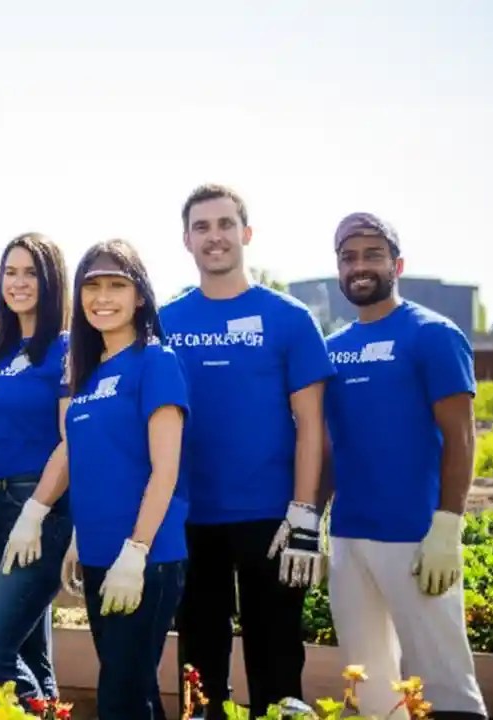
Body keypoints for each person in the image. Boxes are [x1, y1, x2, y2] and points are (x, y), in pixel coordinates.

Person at [160, 184, 334, 719]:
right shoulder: (164, 322)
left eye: (225, 224)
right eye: (203, 227)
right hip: (191, 519)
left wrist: (305, 515)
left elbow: (312, 426)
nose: (215, 237)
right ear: (186, 240)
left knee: (277, 664)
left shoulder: (289, 318)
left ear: (246, 234)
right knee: (200, 667)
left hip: (272, 521)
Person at [322, 213, 486, 720]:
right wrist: (309, 519)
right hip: (349, 540)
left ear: (397, 264)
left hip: (417, 538)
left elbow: (461, 437)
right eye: (348, 257)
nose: (360, 266)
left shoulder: (433, 335)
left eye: (372, 254)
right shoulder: (332, 350)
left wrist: (446, 527)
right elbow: (328, 448)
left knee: (444, 685)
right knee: (369, 687)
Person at [63, 240, 190, 720]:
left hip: (145, 558)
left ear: (140, 296)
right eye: (91, 286)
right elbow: (95, 463)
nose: (103, 297)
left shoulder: (155, 362)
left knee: (121, 697)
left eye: (117, 284)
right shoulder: (91, 374)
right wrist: (80, 537)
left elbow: (166, 469)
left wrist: (135, 551)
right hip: (98, 554)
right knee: (134, 693)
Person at [0, 233, 73, 703]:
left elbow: (72, 442)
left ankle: (40, 712)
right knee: (27, 650)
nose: (19, 282)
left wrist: (36, 511)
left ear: (51, 282)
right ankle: (44, 708)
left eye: (31, 272)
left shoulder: (67, 348)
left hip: (39, 509)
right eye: (10, 272)